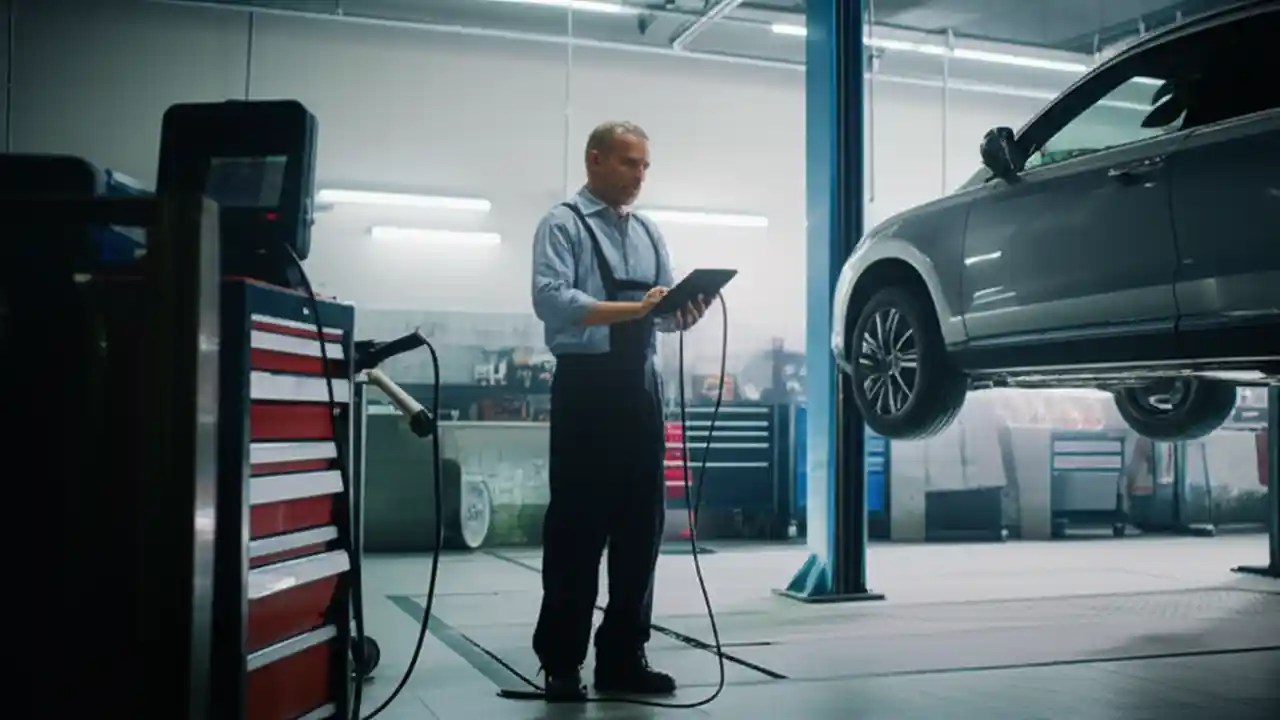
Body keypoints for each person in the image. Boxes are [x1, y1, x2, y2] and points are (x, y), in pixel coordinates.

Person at [530, 120, 708, 701]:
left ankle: (623, 657)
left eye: (645, 166)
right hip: (586, 389)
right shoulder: (563, 224)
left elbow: (662, 308)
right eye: (630, 163)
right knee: (577, 530)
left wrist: (680, 312)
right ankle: (561, 663)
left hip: (640, 390)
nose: (639, 176)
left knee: (640, 529)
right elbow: (552, 300)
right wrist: (634, 310)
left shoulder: (649, 231)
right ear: (595, 159)